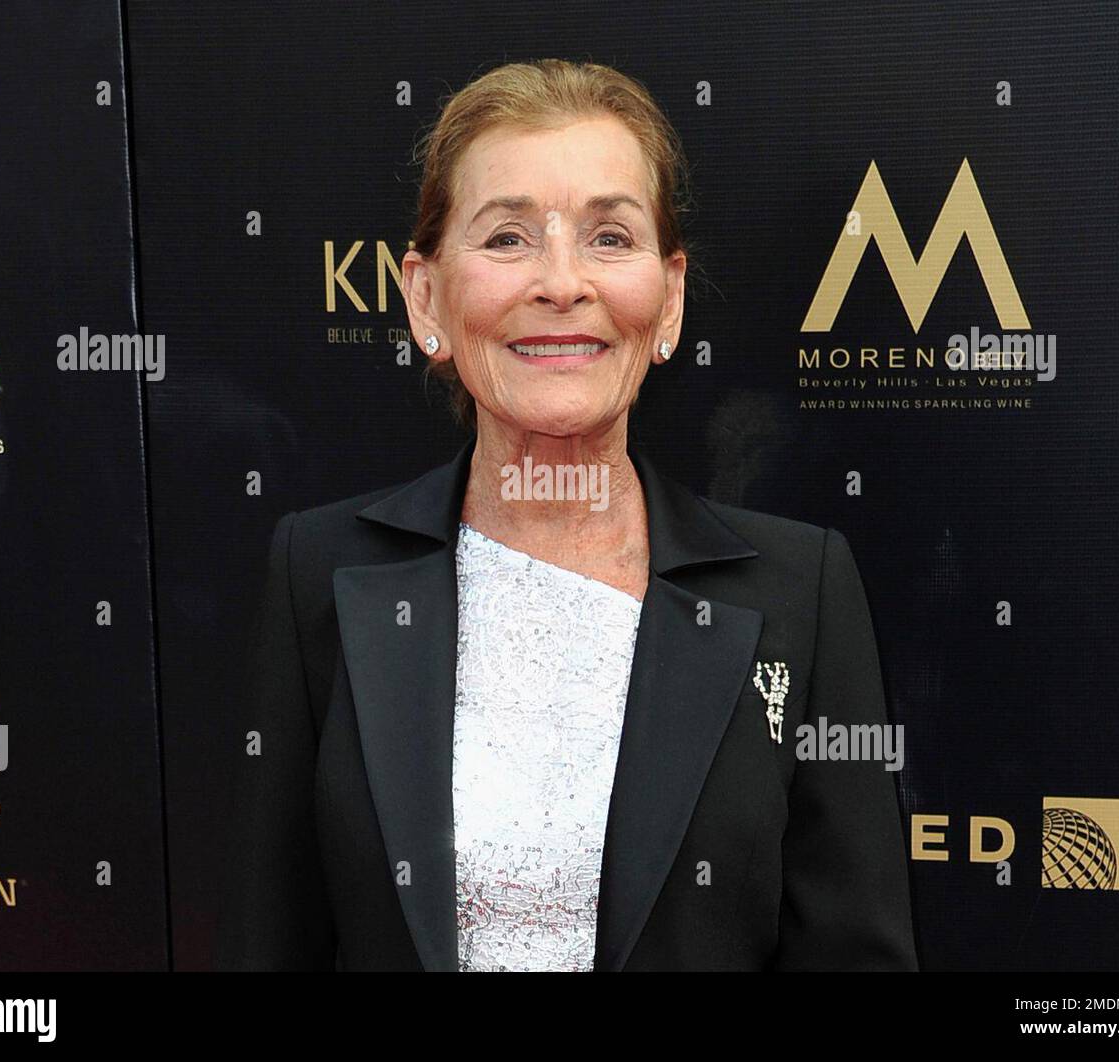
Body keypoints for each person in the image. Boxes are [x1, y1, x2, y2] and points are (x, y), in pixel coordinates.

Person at [220, 58, 917, 972]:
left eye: (609, 238)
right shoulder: (321, 571)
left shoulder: (800, 591)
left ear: (668, 300)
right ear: (425, 297)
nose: (561, 282)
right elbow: (275, 943)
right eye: (507, 238)